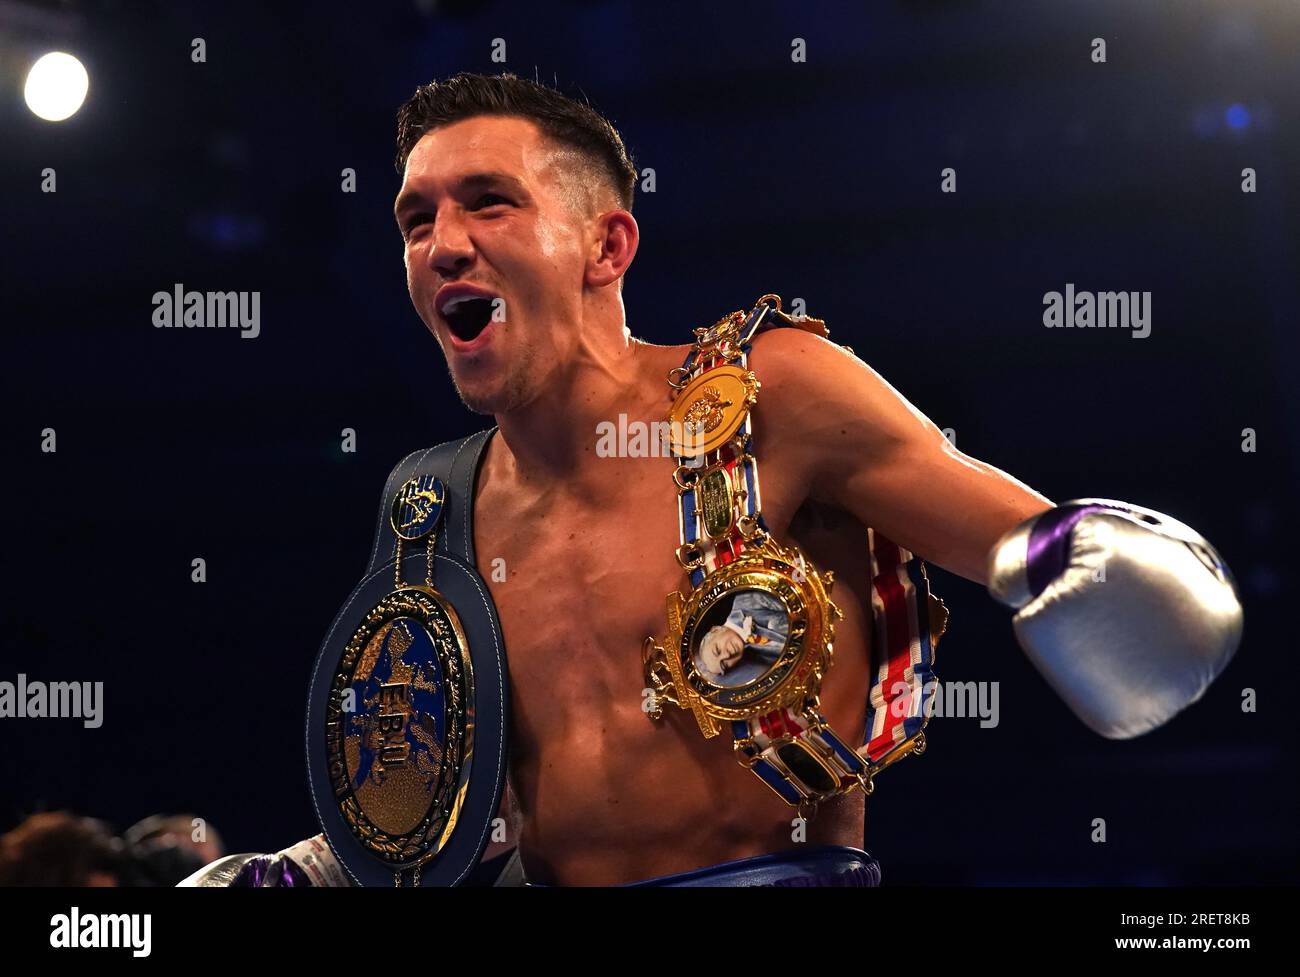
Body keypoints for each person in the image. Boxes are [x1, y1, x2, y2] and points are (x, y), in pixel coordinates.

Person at [184, 72, 1240, 887]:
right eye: (416, 220)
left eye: (488, 203)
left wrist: (1092, 569)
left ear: (605, 245)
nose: (442, 245)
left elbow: (1036, 551)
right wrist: (316, 866)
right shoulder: (433, 503)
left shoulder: (764, 393)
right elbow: (447, 787)